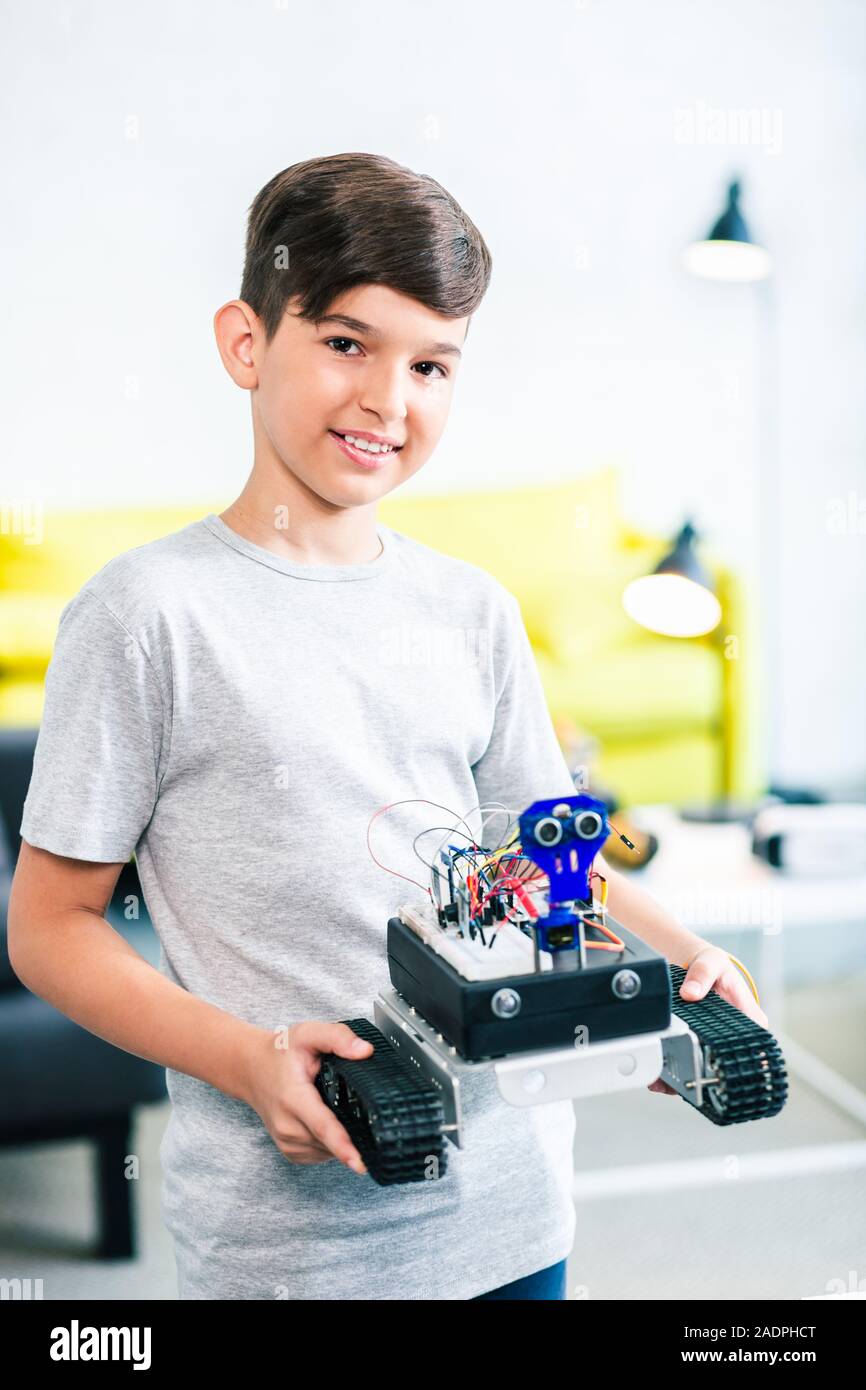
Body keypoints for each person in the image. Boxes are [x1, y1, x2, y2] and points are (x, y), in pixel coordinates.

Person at [8, 152, 767, 1301]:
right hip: (293, 1252)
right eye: (347, 344)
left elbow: (541, 859)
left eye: (431, 364)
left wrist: (673, 958)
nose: (387, 401)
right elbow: (51, 927)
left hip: (514, 1217)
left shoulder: (472, 609)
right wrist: (245, 1059)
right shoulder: (144, 614)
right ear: (246, 342)